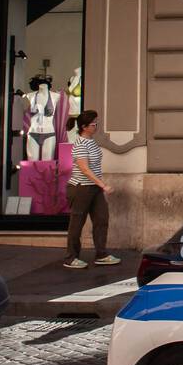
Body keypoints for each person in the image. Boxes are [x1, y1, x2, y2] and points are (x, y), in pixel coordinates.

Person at [62, 110, 120, 269]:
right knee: (77, 223)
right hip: (80, 188)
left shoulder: (91, 142)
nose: (96, 126)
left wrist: (99, 186)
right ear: (84, 127)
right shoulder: (80, 144)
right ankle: (71, 257)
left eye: (96, 123)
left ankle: (101, 254)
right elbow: (85, 169)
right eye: (94, 124)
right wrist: (103, 185)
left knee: (101, 219)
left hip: (94, 188)